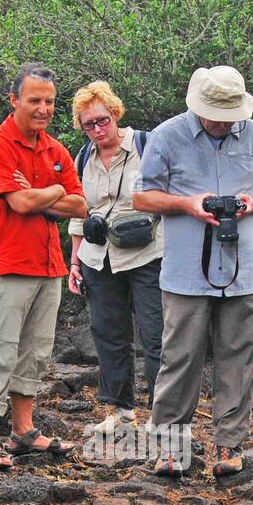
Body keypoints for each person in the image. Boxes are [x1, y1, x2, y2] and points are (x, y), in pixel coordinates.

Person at [132, 65, 253, 478]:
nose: (222, 121)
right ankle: (168, 447)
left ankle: (229, 445)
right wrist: (187, 204)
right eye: (216, 112)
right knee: (179, 357)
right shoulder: (167, 135)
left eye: (229, 114)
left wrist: (250, 204)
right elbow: (142, 197)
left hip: (242, 268)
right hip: (185, 269)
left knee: (240, 356)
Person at [0, 63, 87, 470]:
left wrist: (43, 193)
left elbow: (81, 205)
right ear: (14, 100)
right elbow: (18, 204)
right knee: (0, 348)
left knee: (36, 351)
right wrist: (56, 192)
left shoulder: (56, 150)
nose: (43, 108)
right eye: (34, 99)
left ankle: (23, 429)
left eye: (50, 101)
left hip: (49, 264)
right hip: (9, 263)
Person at [66, 81, 164, 438]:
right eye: (88, 125)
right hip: (98, 259)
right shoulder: (82, 158)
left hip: (147, 254)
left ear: (116, 113)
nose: (97, 130)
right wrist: (74, 263)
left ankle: (163, 413)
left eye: (102, 121)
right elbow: (79, 212)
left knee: (156, 335)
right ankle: (120, 412)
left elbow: (170, 195)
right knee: (109, 334)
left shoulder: (147, 146)